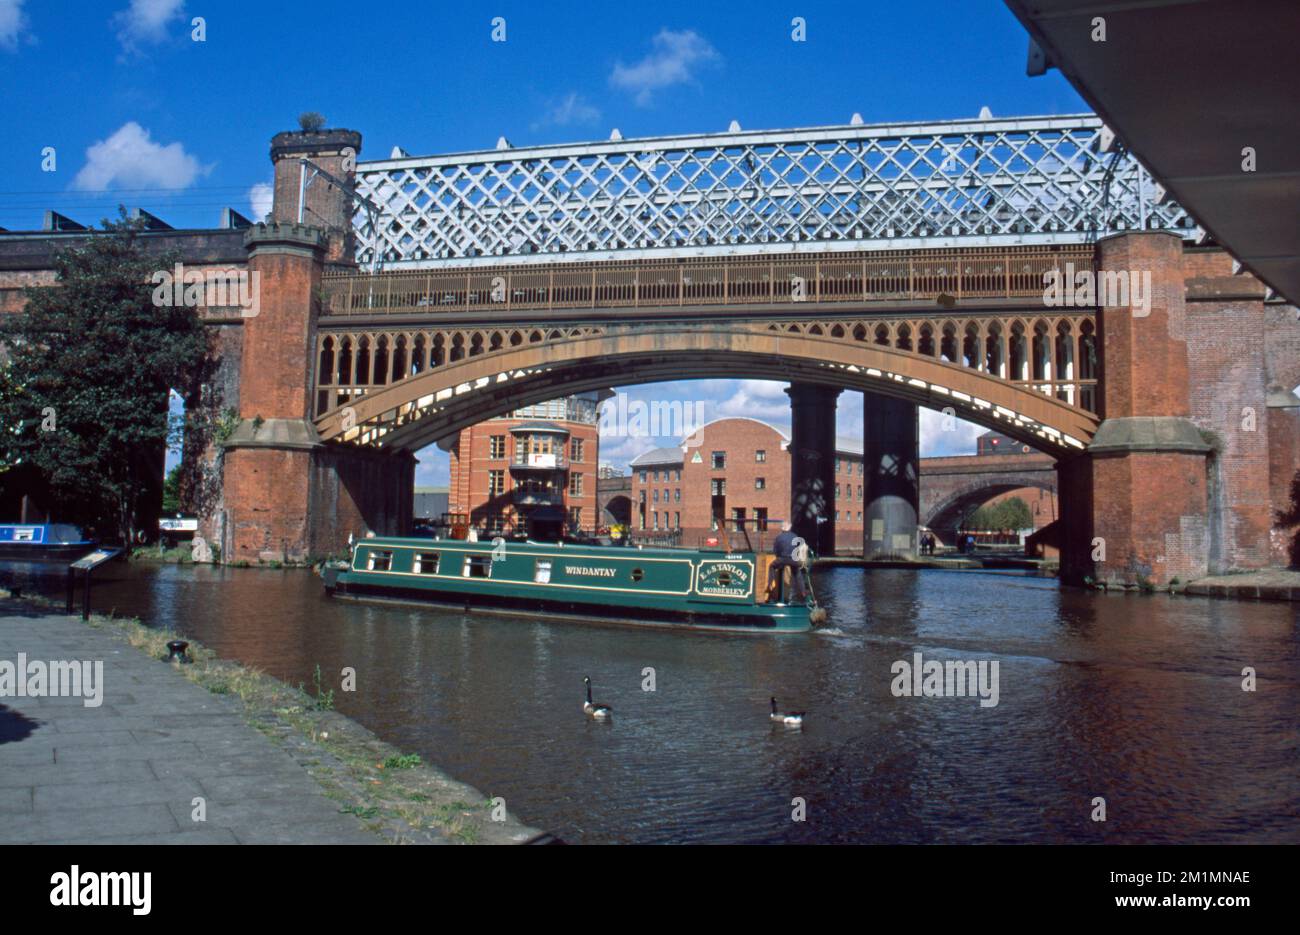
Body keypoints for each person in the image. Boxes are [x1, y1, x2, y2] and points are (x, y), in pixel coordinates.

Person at [767, 522, 808, 603]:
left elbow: (775, 551)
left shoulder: (778, 537)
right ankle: (803, 592)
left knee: (771, 566)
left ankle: (770, 585)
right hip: (793, 560)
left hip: (782, 559)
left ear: (782, 528)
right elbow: (798, 549)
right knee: (797, 574)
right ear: (790, 528)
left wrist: (779, 558)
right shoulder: (795, 536)